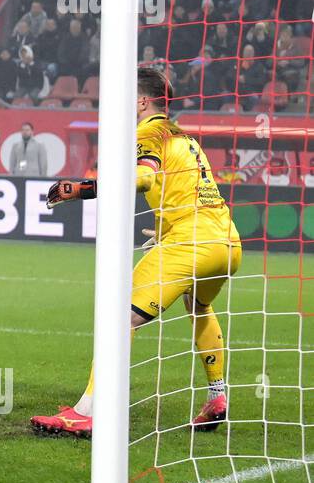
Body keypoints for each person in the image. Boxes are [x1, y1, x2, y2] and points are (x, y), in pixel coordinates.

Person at [32, 66, 242, 437]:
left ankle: (89, 411)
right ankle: (217, 395)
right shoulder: (184, 138)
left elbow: (143, 176)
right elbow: (189, 192)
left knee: (118, 316)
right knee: (199, 306)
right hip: (226, 243)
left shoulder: (146, 131)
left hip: (190, 243)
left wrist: (83, 189)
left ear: (142, 101)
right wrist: (164, 228)